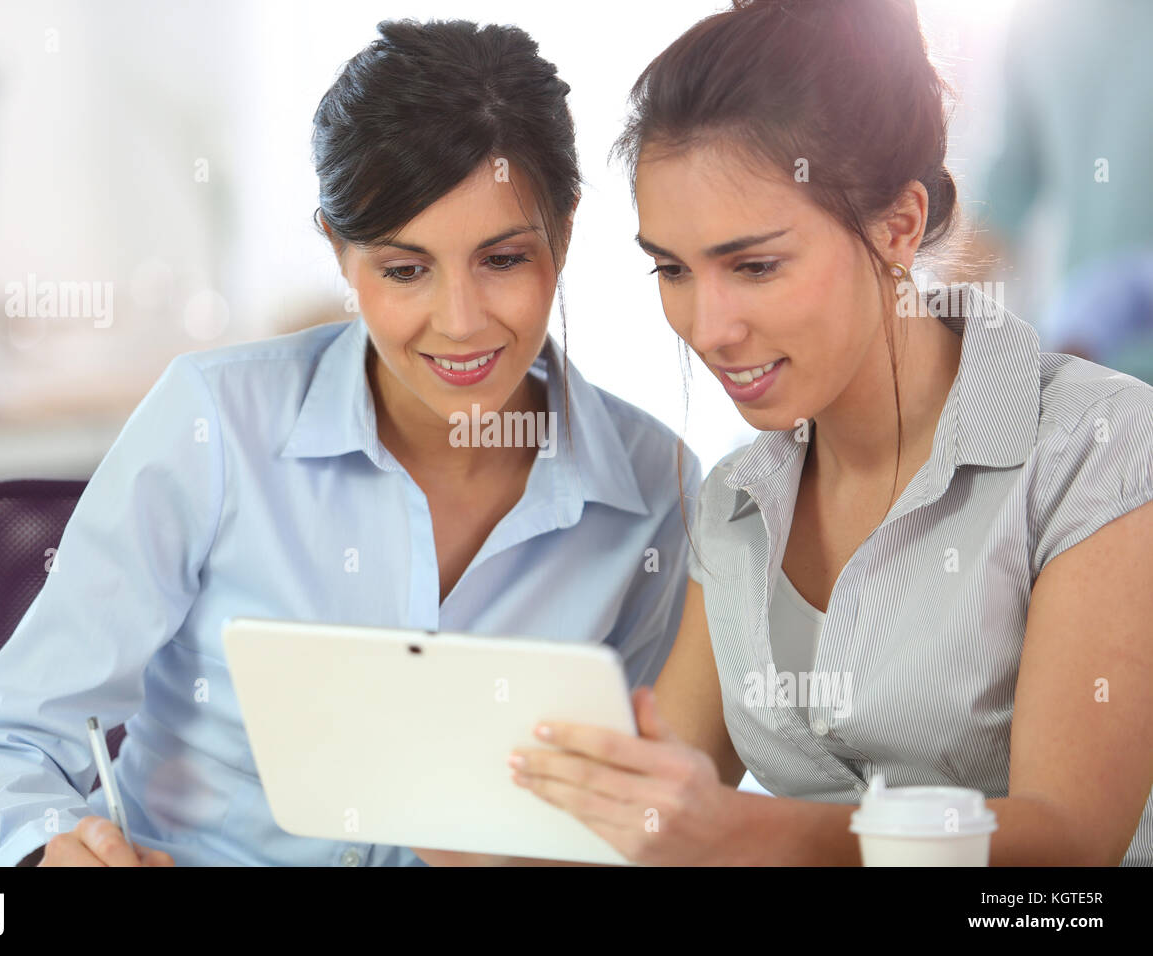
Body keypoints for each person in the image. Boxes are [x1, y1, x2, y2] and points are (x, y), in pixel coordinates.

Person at [0, 18, 700, 867]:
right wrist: (48, 853)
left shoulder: (655, 489)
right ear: (339, 252)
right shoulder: (213, 423)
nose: (459, 322)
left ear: (564, 230)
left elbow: (646, 817)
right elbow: (10, 747)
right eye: (404, 270)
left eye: (503, 259)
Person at [424, 0, 1153, 866]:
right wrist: (492, 826)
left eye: (755, 265)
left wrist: (751, 836)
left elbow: (1068, 846)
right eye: (672, 270)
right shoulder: (736, 499)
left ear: (899, 226)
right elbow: (666, 797)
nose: (709, 325)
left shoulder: (1099, 445)